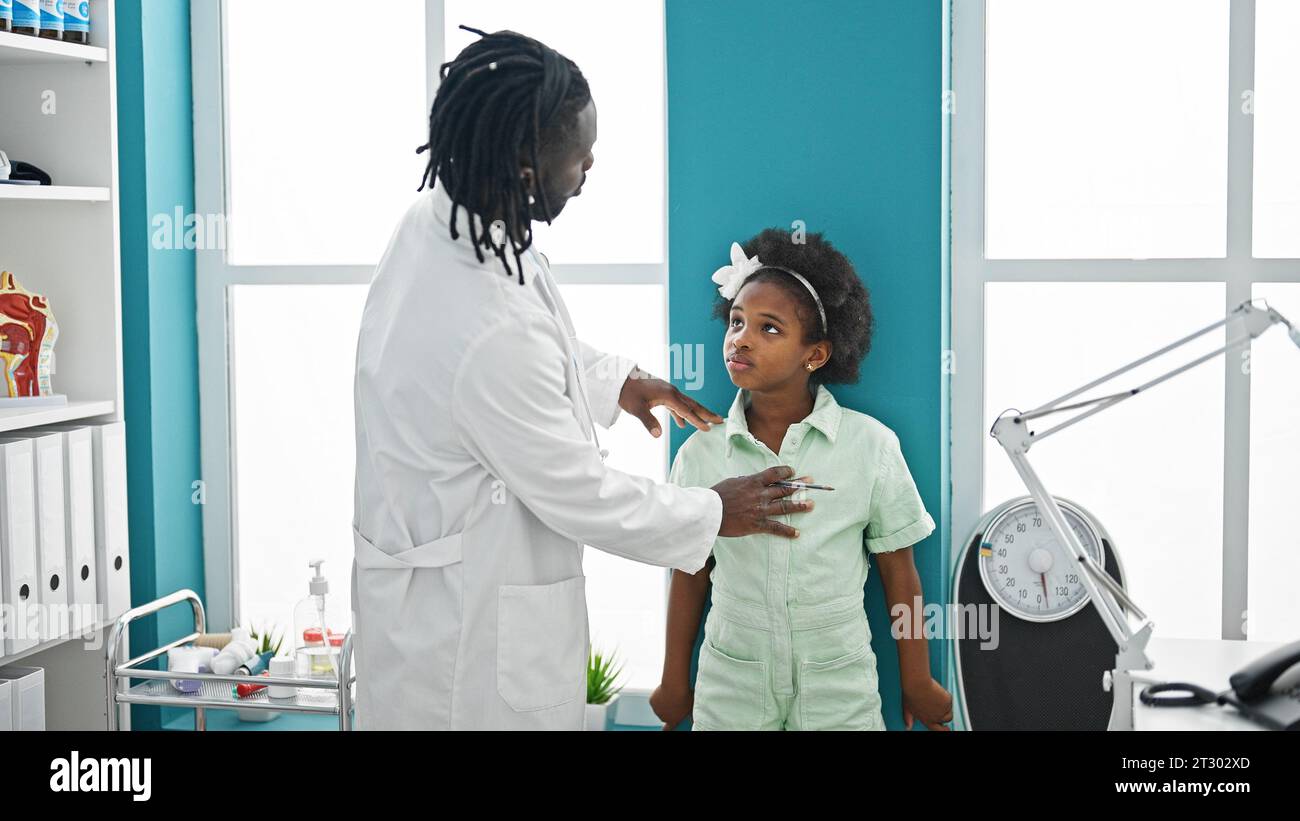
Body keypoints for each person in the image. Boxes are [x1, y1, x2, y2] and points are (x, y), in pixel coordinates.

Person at [351, 28, 813, 730]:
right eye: (579, 159)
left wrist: (616, 381)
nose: (589, 168)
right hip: (462, 657)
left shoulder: (444, 222)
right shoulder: (485, 320)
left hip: (432, 592)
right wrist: (715, 511)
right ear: (525, 165)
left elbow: (521, 355)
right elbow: (581, 494)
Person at [650, 229, 953, 730]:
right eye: (737, 322)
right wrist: (674, 680)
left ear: (815, 355)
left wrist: (917, 680)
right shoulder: (701, 453)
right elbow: (689, 574)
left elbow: (901, 575)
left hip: (840, 688)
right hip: (731, 686)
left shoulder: (870, 446)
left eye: (769, 329)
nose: (741, 338)